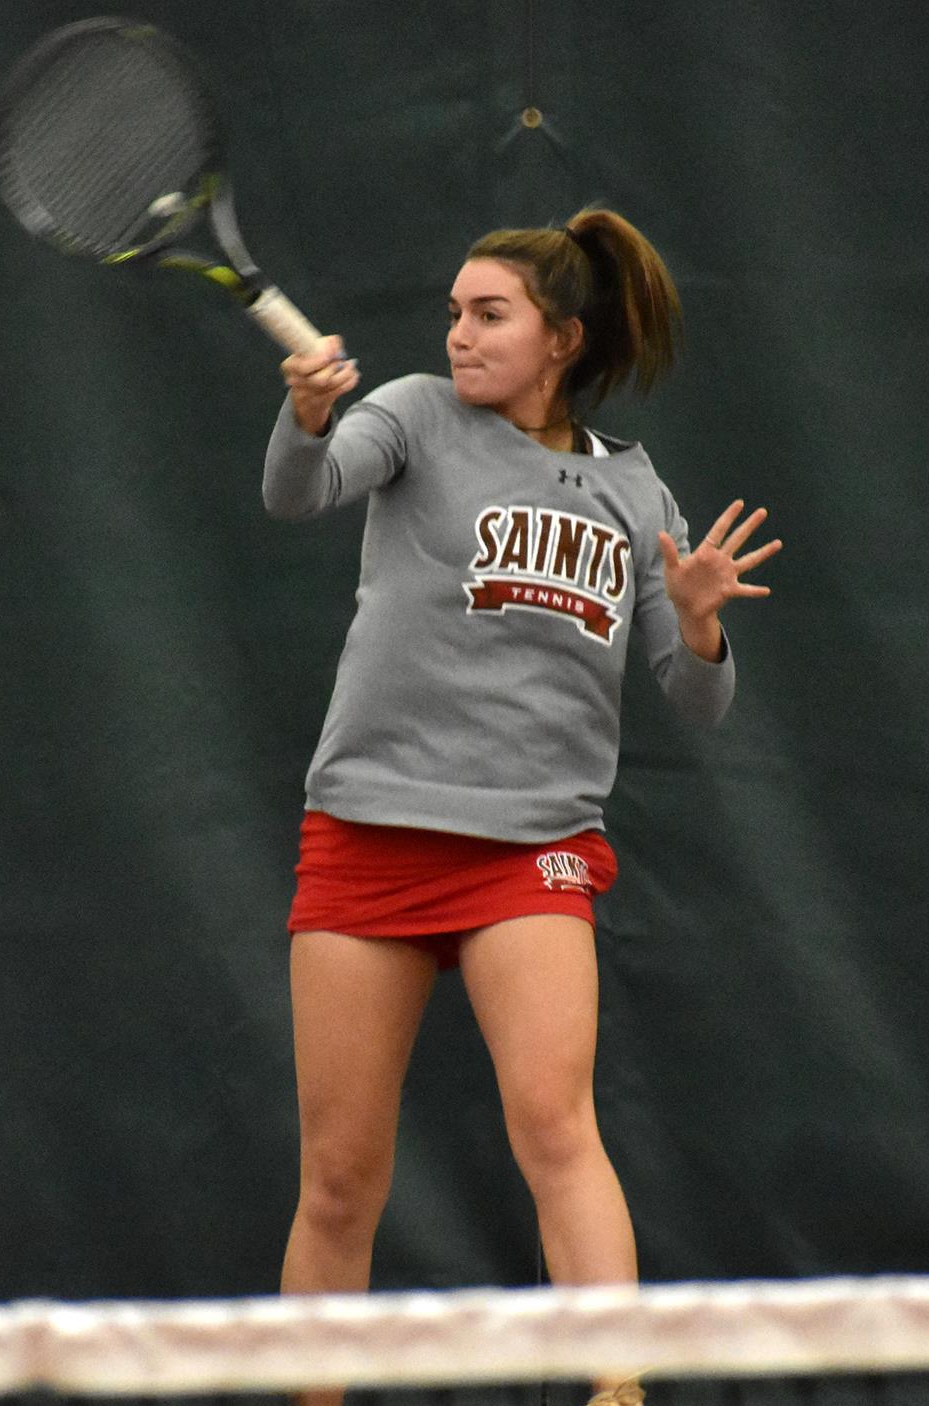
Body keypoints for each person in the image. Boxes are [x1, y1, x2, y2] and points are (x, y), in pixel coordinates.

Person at [262, 207, 780, 1406]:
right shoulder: (410, 414)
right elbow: (306, 491)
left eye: (487, 314)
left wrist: (697, 618)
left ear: (562, 336)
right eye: (452, 311)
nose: (457, 334)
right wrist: (301, 419)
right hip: (366, 837)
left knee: (556, 1126)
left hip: (530, 851)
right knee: (339, 1178)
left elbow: (696, 702)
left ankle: (616, 1394)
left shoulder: (638, 494)